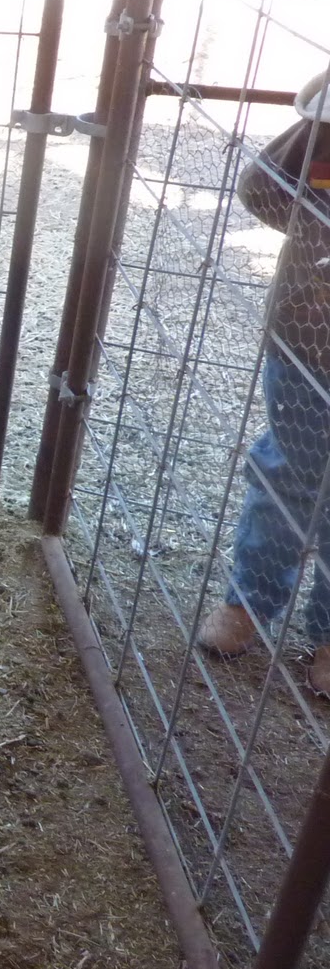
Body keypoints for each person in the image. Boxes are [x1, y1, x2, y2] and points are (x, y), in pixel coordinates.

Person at [197, 70, 330, 697]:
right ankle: (248, 603)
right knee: (294, 472)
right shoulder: (319, 132)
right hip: (310, 336)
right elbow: (262, 187)